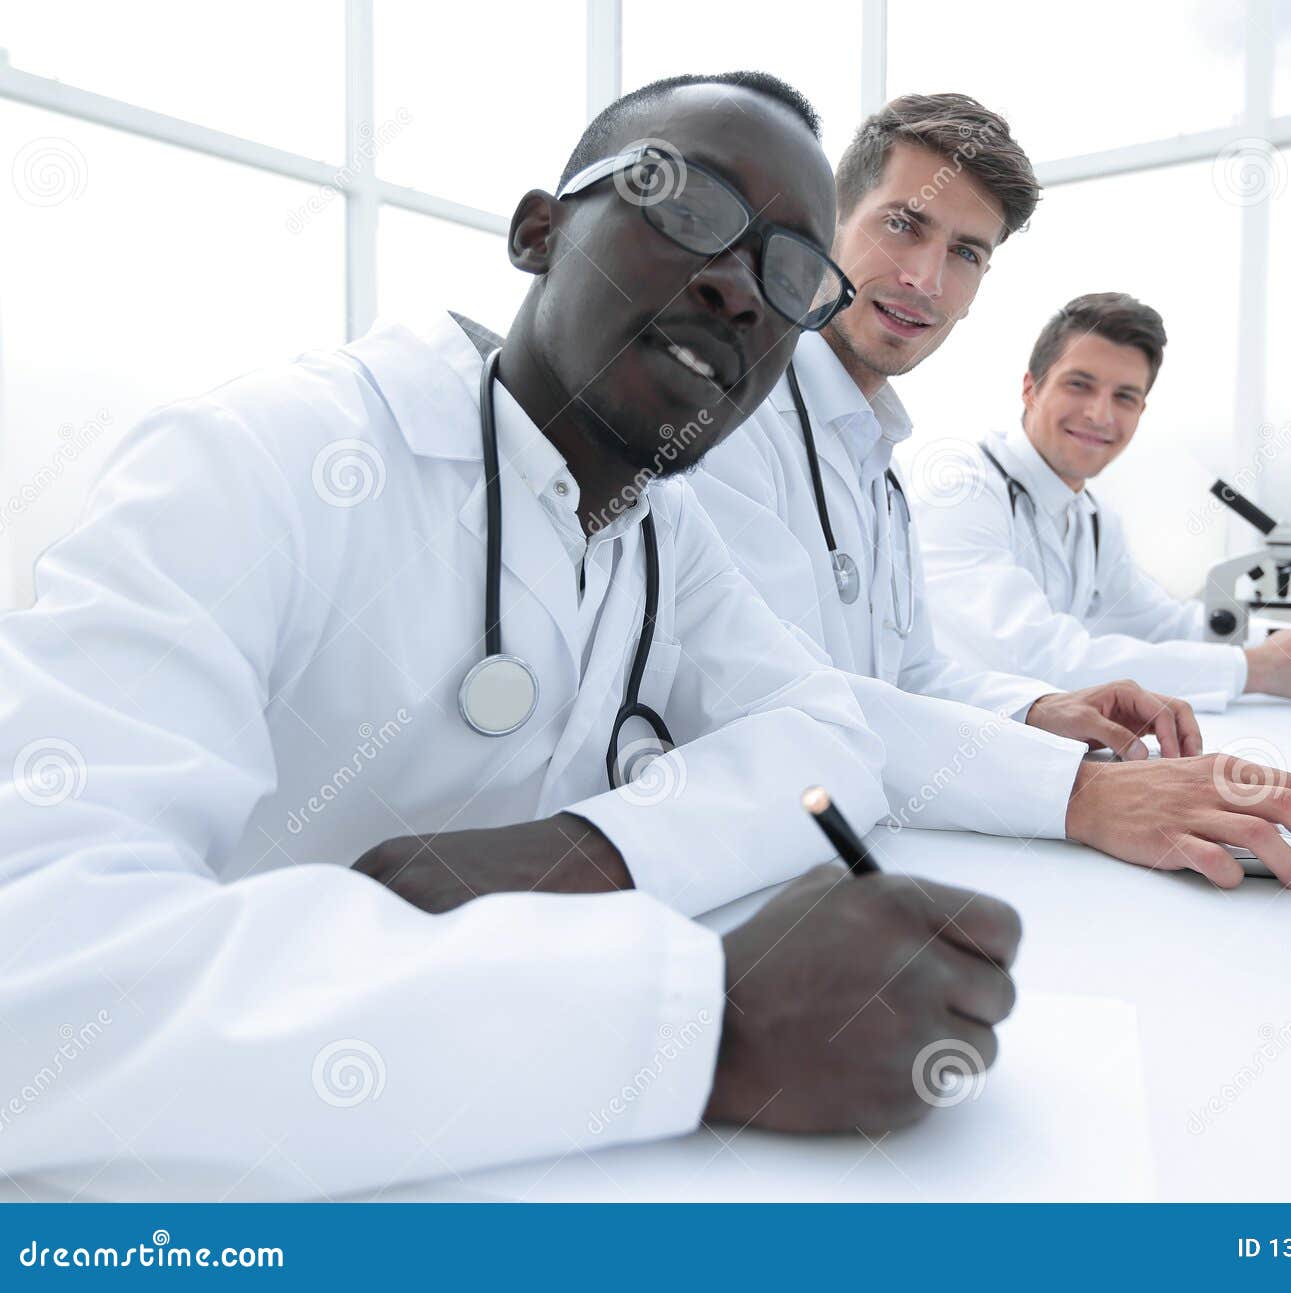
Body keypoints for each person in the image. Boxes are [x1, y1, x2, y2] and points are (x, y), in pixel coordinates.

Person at [0, 73, 1020, 1200]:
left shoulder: (659, 529)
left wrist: (581, 855)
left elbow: (829, 733)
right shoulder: (257, 461)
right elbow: (32, 975)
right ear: (539, 230)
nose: (736, 288)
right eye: (679, 202)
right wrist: (703, 1027)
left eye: (788, 274)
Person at [691, 97, 1291, 888]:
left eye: (966, 253)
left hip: (871, 836)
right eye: (903, 224)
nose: (925, 278)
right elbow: (786, 701)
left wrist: (1038, 712)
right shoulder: (733, 416)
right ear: (831, 218)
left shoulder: (876, 458)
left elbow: (915, 673)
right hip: (754, 866)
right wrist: (1082, 792)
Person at [911, 291, 1291, 708]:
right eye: (1079, 385)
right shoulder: (962, 493)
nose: (1101, 414)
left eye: (1124, 397)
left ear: (1140, 412)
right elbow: (1039, 661)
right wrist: (1255, 670)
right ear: (1030, 389)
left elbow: (1166, 625)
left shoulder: (1093, 520)